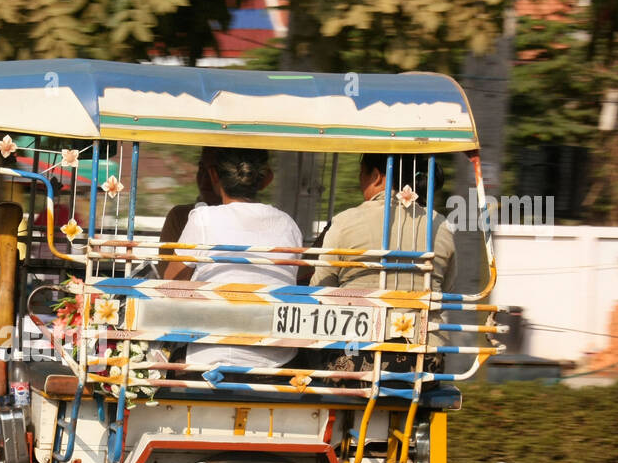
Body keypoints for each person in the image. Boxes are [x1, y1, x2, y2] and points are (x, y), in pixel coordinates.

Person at [161, 147, 302, 372]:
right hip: (277, 359)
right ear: (264, 179)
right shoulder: (288, 224)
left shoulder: (203, 218)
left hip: (210, 356)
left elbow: (168, 285)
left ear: (214, 175)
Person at [311, 152, 455, 293]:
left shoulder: (344, 222)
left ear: (376, 176)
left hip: (359, 314)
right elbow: (447, 289)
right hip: (424, 316)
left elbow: (321, 287)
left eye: (361, 174)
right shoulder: (440, 225)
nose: (360, 182)